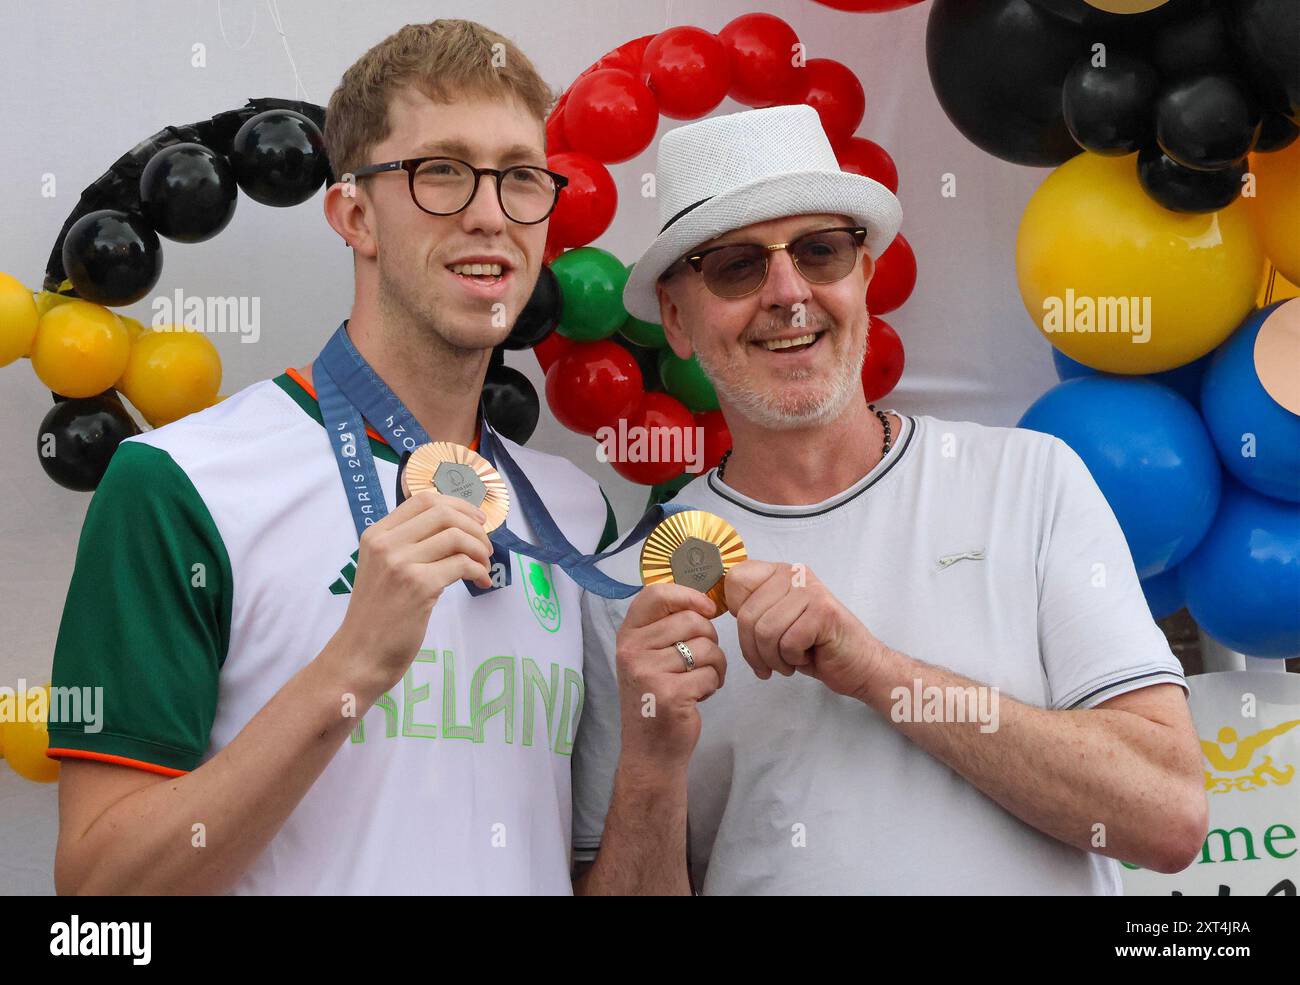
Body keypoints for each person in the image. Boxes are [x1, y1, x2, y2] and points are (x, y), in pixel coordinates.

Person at [571, 105, 1207, 895]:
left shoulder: (1030, 481)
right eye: (736, 266)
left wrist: (875, 670)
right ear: (677, 316)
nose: (788, 292)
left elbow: (1168, 815)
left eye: (821, 251)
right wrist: (652, 764)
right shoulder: (629, 590)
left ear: (864, 275)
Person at [48, 19, 616, 895]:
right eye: (442, 171)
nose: (490, 214)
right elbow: (100, 893)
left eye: (520, 177)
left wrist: (663, 751)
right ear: (354, 214)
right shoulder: (178, 483)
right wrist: (349, 669)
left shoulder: (577, 514)